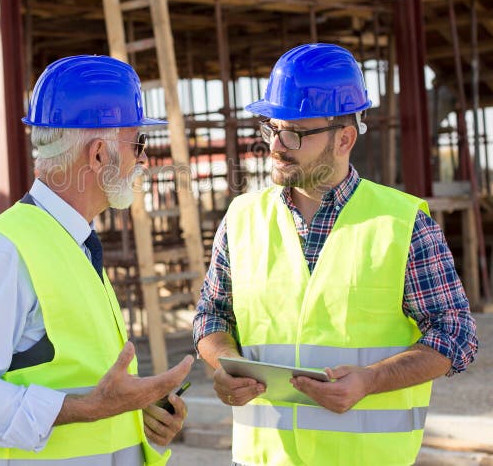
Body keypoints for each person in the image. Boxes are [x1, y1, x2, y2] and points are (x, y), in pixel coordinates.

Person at [194, 43, 478, 466]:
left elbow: (456, 335)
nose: (275, 146)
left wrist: (371, 380)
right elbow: (211, 316)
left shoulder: (402, 223)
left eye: (293, 133)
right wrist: (227, 365)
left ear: (344, 138)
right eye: (271, 129)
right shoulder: (241, 218)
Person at [0, 55, 193, 466]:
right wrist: (87, 408)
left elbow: (84, 385)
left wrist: (138, 413)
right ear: (97, 155)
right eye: (138, 144)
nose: (141, 160)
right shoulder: (3, 253)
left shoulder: (75, 246)